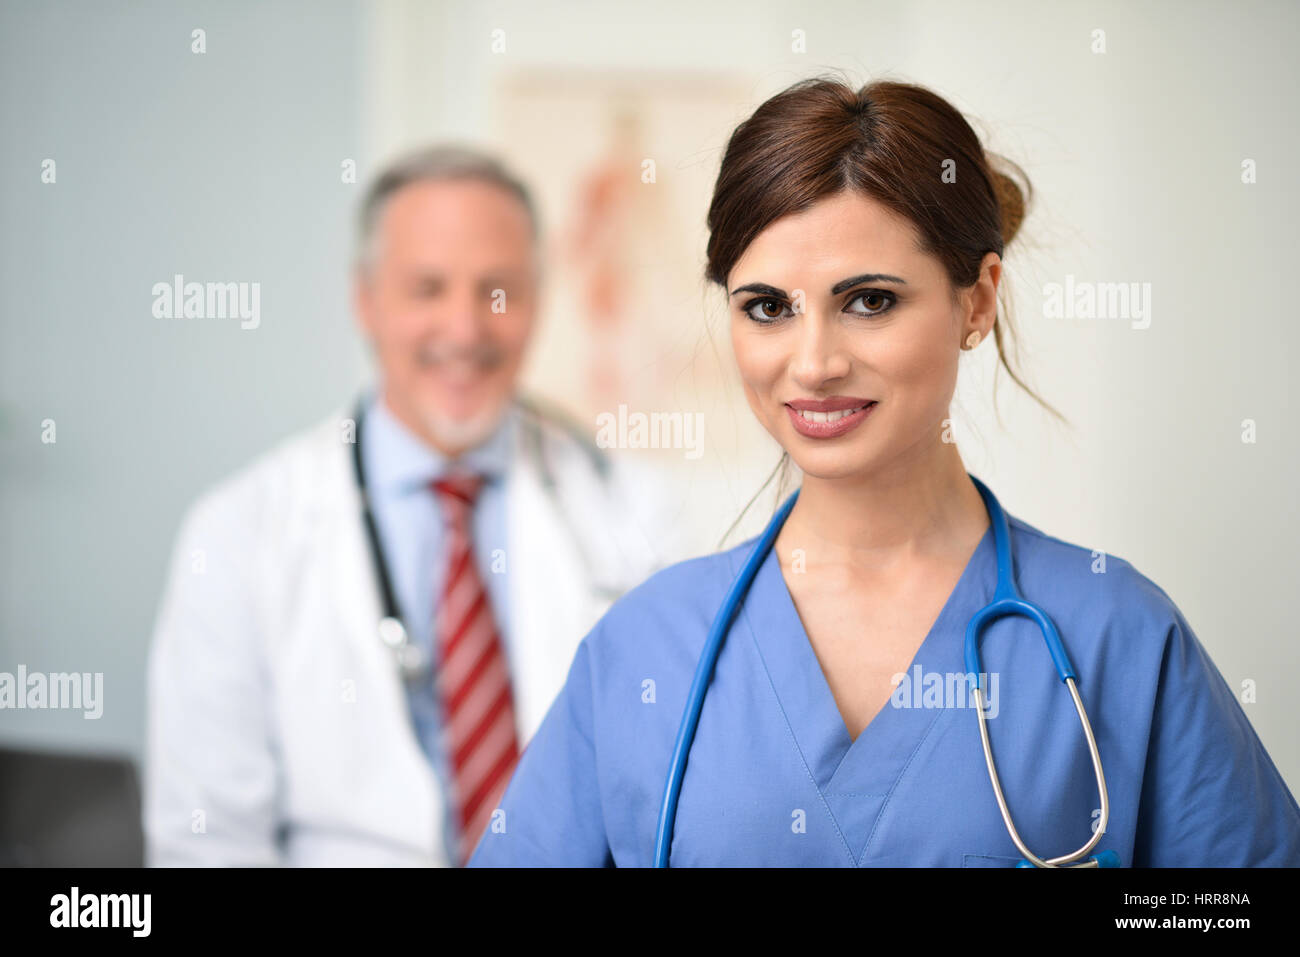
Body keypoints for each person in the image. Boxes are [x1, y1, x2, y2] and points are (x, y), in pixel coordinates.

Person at [469, 77, 1300, 867]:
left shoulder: (1117, 634)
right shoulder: (645, 652)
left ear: (977, 301)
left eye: (869, 300)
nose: (815, 362)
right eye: (768, 307)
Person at [144, 146, 687, 867]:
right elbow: (206, 843)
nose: (464, 329)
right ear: (364, 299)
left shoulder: (639, 515)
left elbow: (675, 804)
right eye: (427, 288)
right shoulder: (239, 532)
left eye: (497, 290)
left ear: (536, 301)